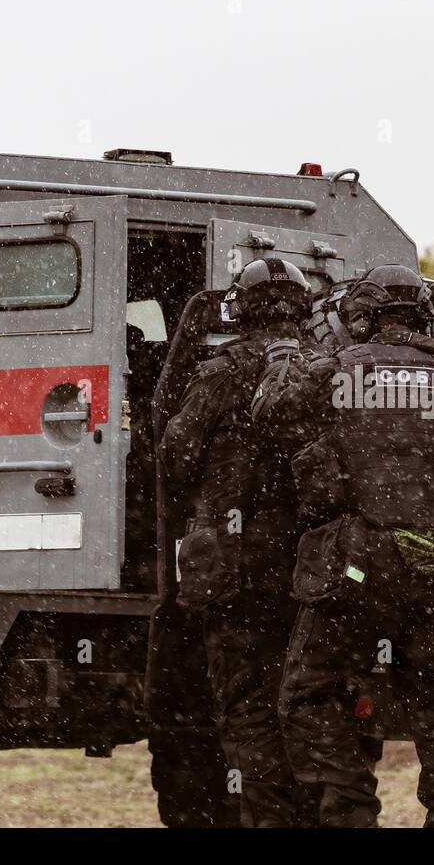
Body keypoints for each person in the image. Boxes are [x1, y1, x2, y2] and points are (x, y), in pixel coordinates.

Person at [256, 264, 434, 827]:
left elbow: (272, 414)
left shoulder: (339, 368)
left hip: (353, 569)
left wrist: (285, 359)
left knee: (309, 698)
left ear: (365, 316)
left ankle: (350, 812)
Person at [159, 257, 312, 827]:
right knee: (311, 715)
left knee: (249, 715)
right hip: (312, 573)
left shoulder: (221, 372)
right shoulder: (328, 370)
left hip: (238, 573)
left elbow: (177, 454)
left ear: (241, 312)